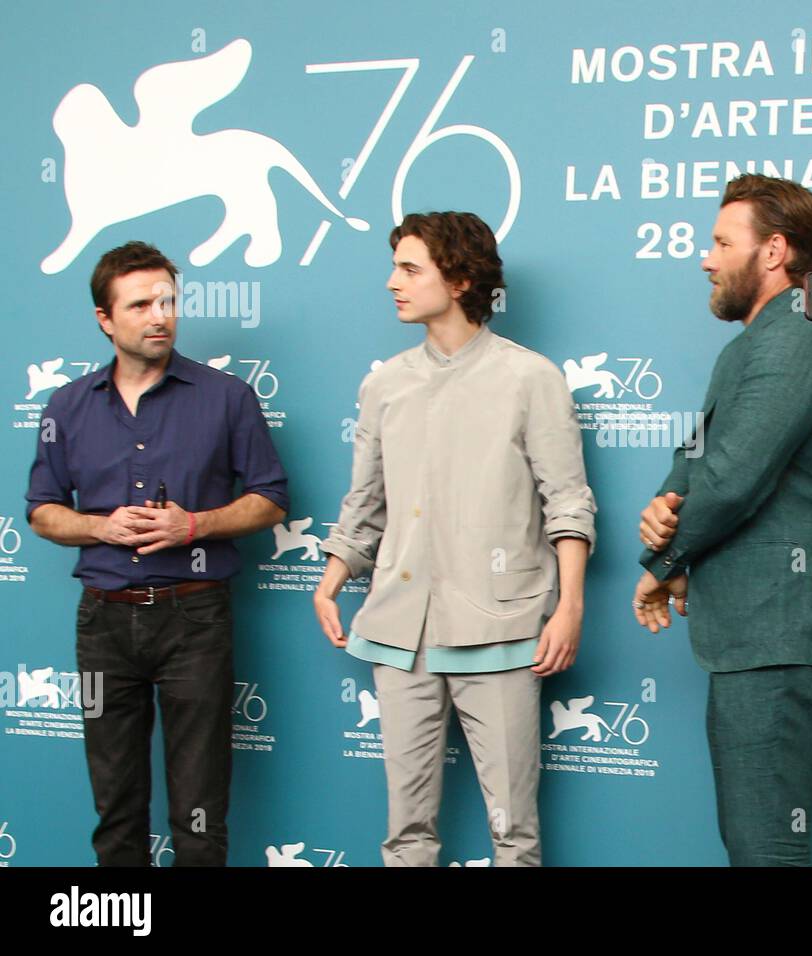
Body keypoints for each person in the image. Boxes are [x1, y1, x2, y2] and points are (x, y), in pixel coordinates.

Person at [314, 211, 595, 867]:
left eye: (410, 269)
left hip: (499, 628)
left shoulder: (531, 379)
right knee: (406, 833)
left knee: (513, 833)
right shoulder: (383, 385)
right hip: (398, 631)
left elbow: (569, 503)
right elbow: (366, 502)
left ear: (462, 278)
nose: (392, 283)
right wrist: (331, 580)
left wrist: (570, 606)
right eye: (395, 267)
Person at [25, 240, 289, 866]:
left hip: (194, 620)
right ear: (105, 319)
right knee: (116, 807)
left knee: (198, 812)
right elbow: (40, 509)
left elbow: (271, 500)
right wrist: (100, 528)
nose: (159, 315)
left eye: (168, 301)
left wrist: (194, 525)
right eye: (141, 303)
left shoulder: (227, 398)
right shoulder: (66, 406)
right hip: (103, 623)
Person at [632, 174, 812, 866]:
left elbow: (733, 480)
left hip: (777, 628)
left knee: (766, 848)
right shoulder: (751, 346)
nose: (706, 257)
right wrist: (662, 508)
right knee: (753, 842)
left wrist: (661, 565)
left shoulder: (799, 337)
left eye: (722, 241)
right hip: (754, 631)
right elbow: (700, 453)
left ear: (774, 252)